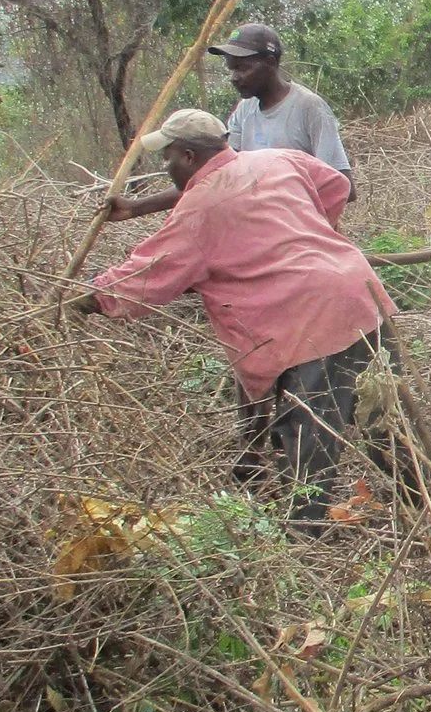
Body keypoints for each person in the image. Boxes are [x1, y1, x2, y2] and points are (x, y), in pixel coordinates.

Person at [68, 108, 395, 531]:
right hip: (361, 294)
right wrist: (308, 234)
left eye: (168, 157)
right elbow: (336, 185)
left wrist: (82, 297)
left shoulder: (197, 212)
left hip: (306, 322)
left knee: (309, 438)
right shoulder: (278, 160)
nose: (166, 167)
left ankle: (304, 542)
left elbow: (142, 279)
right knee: (385, 417)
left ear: (188, 156)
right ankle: (422, 502)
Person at [111, 23, 351, 219]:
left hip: (301, 234)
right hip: (258, 229)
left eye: (242, 68)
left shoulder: (309, 108)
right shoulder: (244, 112)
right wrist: (134, 207)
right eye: (231, 69)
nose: (234, 78)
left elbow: (343, 187)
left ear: (270, 62)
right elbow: (215, 176)